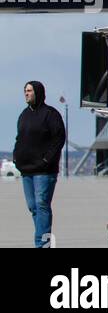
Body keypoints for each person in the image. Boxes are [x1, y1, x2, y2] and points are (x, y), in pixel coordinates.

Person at [14, 81, 65, 248]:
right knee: (33, 207)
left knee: (42, 204)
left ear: (38, 92)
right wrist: (16, 157)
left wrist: (46, 160)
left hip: (44, 171)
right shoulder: (23, 114)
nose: (26, 94)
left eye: (29, 91)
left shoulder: (50, 114)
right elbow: (19, 138)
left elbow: (59, 139)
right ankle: (43, 240)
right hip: (26, 170)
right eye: (25, 91)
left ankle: (42, 244)